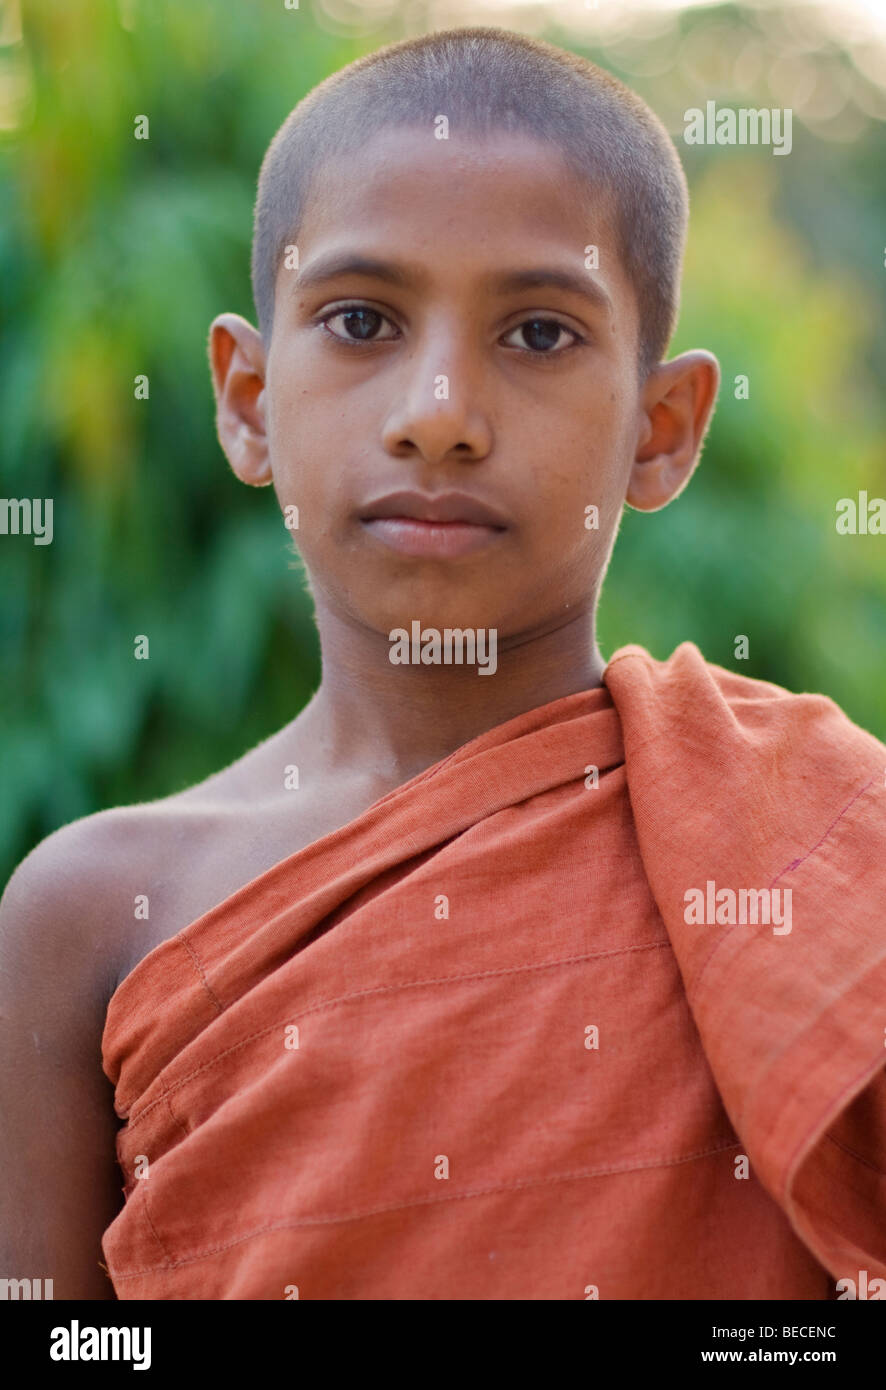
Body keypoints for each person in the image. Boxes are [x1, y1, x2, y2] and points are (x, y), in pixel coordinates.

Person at [2, 26, 885, 1301]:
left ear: (664, 428)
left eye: (536, 334)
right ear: (247, 397)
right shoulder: (93, 914)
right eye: (361, 319)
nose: (437, 413)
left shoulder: (820, 847)